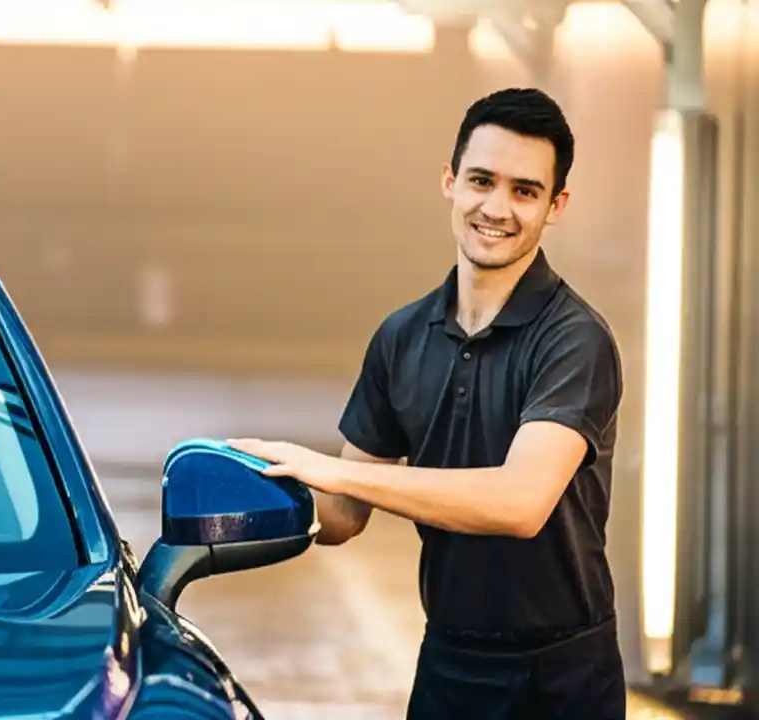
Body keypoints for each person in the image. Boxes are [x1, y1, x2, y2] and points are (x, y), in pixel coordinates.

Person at [229, 87, 625, 719]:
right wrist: (228, 509)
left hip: (562, 676)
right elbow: (340, 517)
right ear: (449, 182)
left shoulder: (574, 340)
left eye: (525, 190)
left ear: (557, 206)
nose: (497, 207)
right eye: (481, 180)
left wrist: (333, 468)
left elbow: (520, 504)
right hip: (447, 663)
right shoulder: (402, 337)